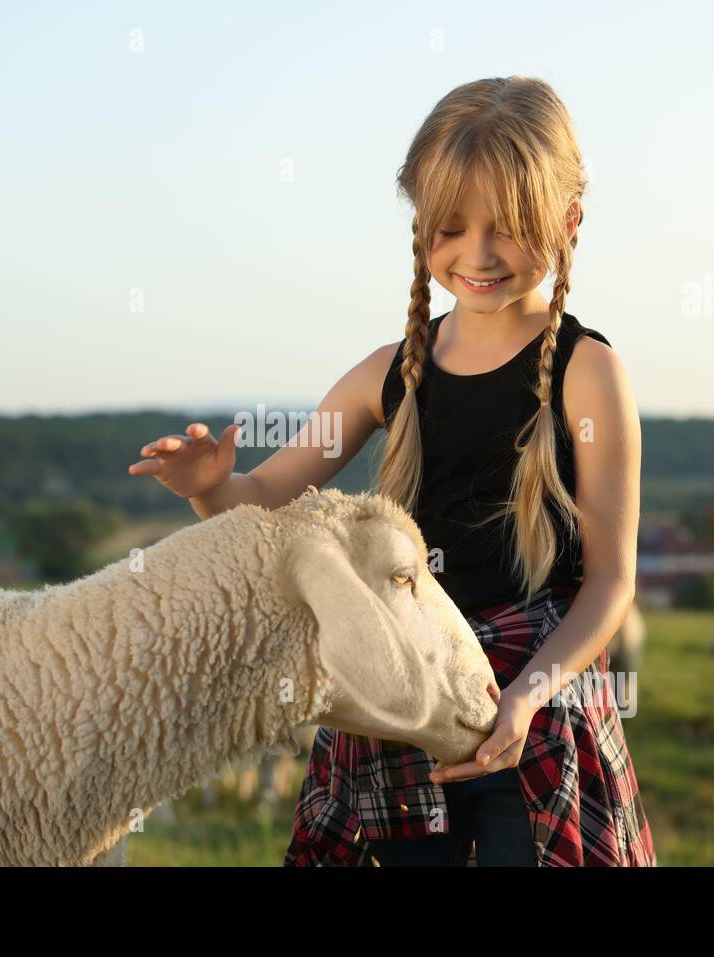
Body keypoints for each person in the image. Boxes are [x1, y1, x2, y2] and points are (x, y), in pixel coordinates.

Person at [128, 75, 655, 867]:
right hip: (400, 705)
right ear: (420, 227)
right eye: (449, 227)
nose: (477, 254)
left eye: (508, 228)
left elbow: (611, 582)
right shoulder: (389, 374)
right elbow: (266, 500)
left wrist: (527, 696)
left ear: (569, 220)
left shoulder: (588, 372)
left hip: (531, 723)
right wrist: (208, 485)